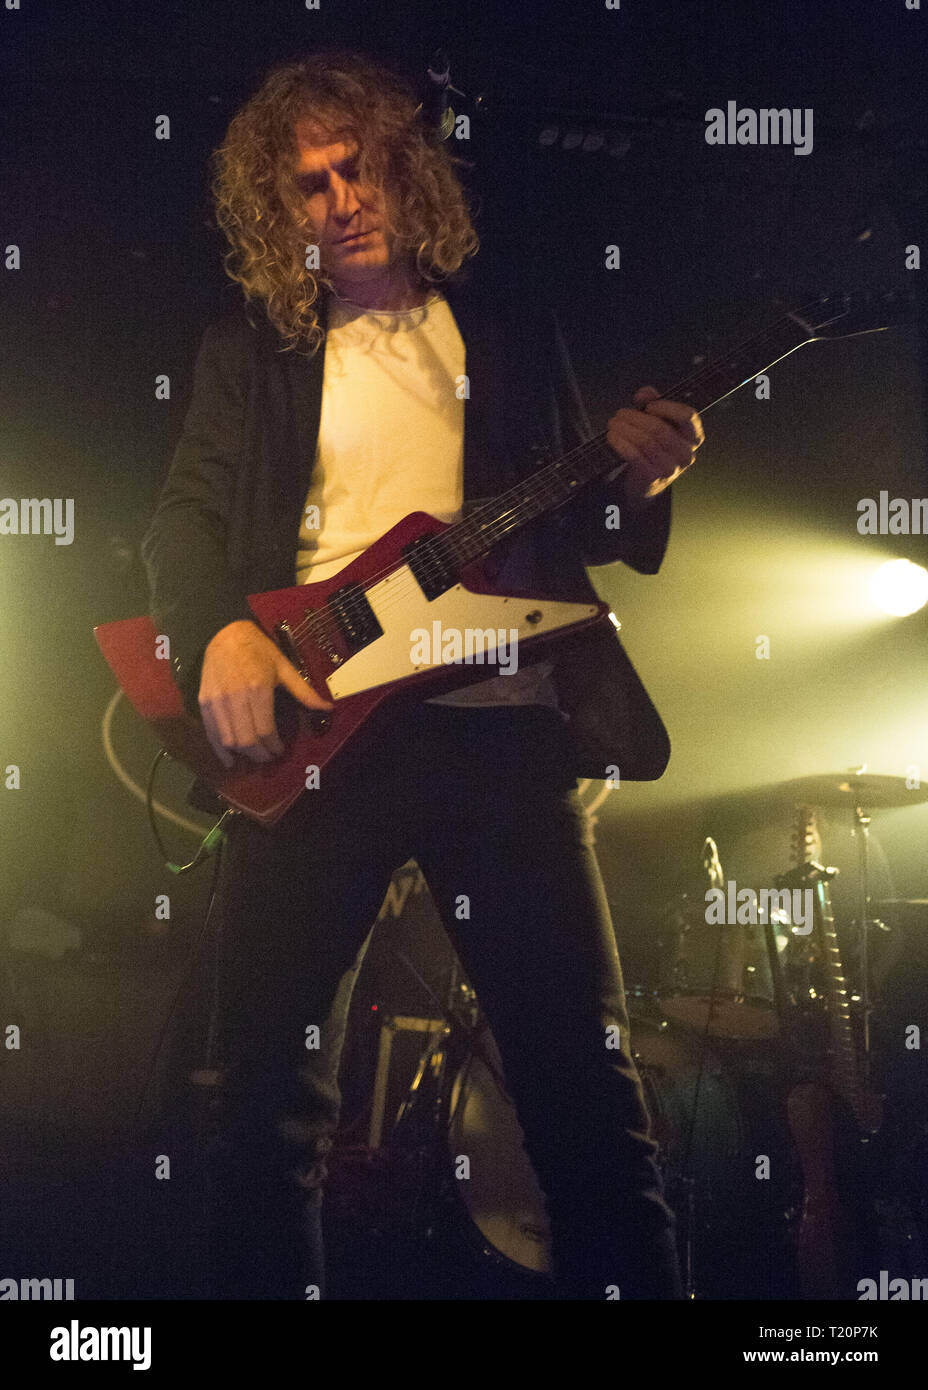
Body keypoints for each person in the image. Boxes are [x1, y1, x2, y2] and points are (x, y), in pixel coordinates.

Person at [141, 49, 704, 1300]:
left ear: (407, 170)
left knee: (582, 1098)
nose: (339, 199)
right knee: (264, 1113)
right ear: (272, 209)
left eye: (359, 168)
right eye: (308, 184)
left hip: (495, 735)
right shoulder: (252, 351)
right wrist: (220, 633)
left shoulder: (502, 324)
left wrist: (636, 482)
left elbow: (583, 529)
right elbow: (178, 526)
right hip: (313, 731)